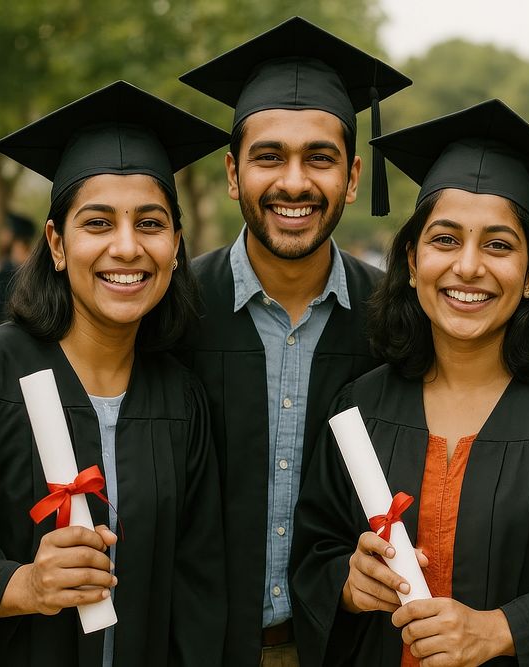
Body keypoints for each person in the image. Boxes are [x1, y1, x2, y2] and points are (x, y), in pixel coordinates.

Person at [291, 99, 529, 667]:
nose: (468, 267)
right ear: (412, 262)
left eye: (498, 244)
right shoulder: (359, 407)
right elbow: (314, 552)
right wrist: (346, 581)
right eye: (444, 240)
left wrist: (499, 630)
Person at [0, 81, 229, 666]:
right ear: (57, 242)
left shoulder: (182, 399)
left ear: (175, 245)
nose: (127, 247)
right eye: (97, 223)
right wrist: (20, 585)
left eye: (150, 223)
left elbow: (197, 595)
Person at [175, 17, 411, 666]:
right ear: (232, 172)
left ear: (354, 176)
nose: (295, 182)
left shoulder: (398, 321)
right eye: (269, 155)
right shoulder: (170, 315)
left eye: (320, 157)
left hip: (344, 649)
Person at [0, 211, 37, 329]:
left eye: (6, 231)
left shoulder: (9, 271)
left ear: (15, 237)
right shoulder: (5, 267)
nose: (2, 235)